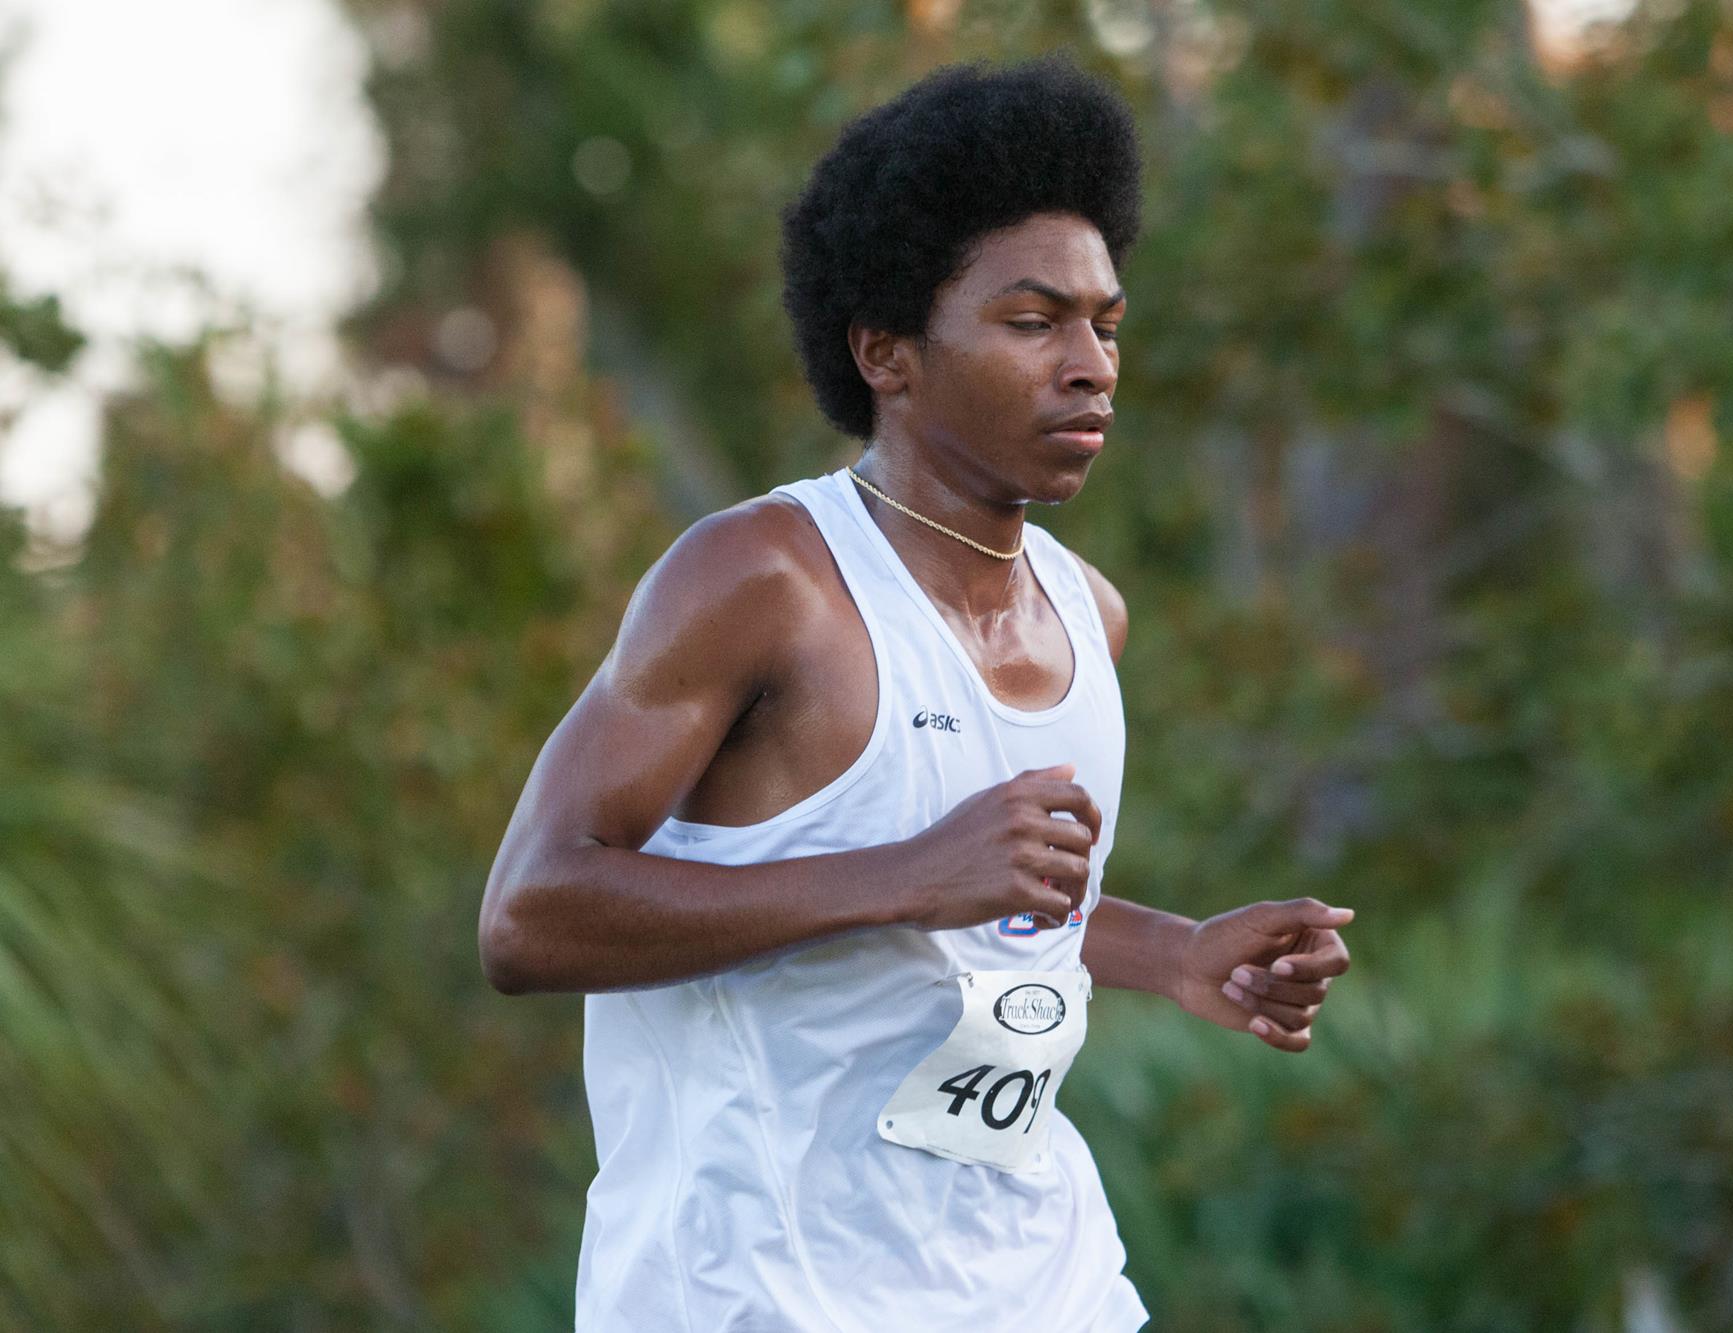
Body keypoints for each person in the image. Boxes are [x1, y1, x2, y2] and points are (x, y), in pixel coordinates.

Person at [479, 54, 1356, 1332]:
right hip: (763, 1295)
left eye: (1105, 324)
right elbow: (528, 916)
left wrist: (1173, 955)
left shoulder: (1086, 612)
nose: (1089, 364)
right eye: (1031, 321)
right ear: (886, 350)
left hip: (1042, 1288)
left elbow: (1000, 911)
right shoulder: (762, 581)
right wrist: (904, 873)